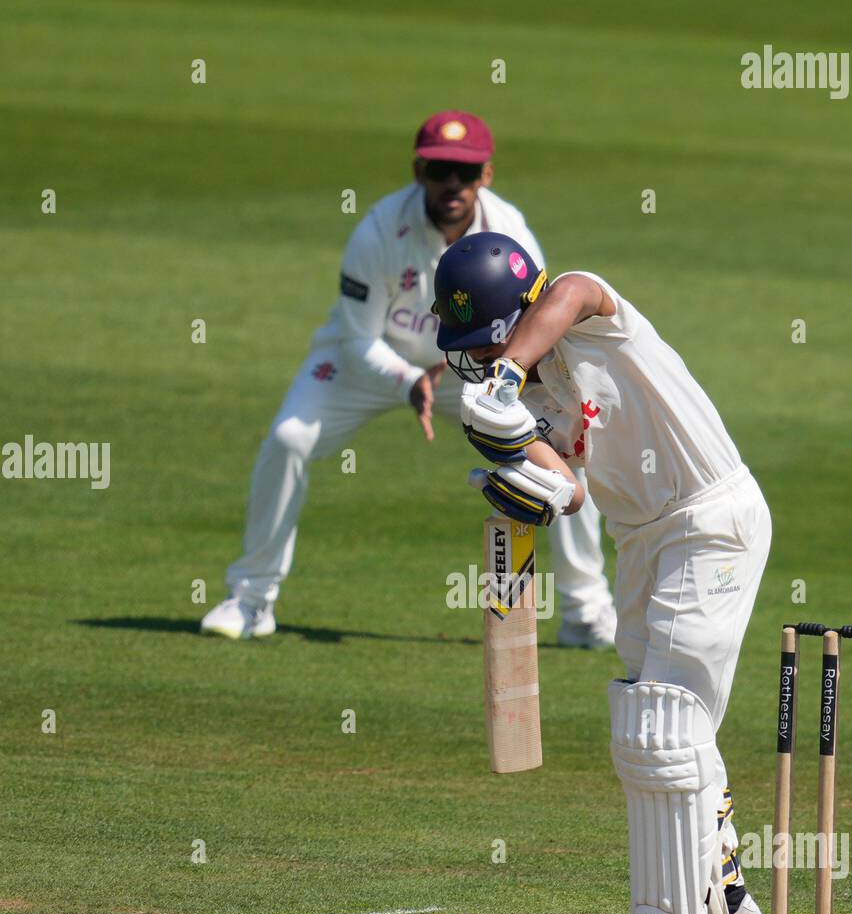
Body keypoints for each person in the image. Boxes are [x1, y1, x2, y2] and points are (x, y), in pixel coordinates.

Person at [433, 231, 775, 914]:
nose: (484, 365)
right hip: (643, 542)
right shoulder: (525, 396)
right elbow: (574, 489)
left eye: (490, 347)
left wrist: (508, 372)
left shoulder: (585, 313)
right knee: (662, 722)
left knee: (665, 724)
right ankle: (733, 903)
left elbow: (576, 289)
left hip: (709, 521)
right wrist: (519, 471)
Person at [201, 111, 615, 647]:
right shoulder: (378, 229)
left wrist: (489, 374)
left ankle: (586, 611)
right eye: (440, 169)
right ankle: (251, 599)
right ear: (419, 169)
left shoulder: (510, 232)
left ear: (485, 176)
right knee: (288, 439)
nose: (451, 184)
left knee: (563, 454)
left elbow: (533, 327)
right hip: (372, 365)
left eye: (464, 173)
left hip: (476, 369)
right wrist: (407, 379)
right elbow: (357, 336)